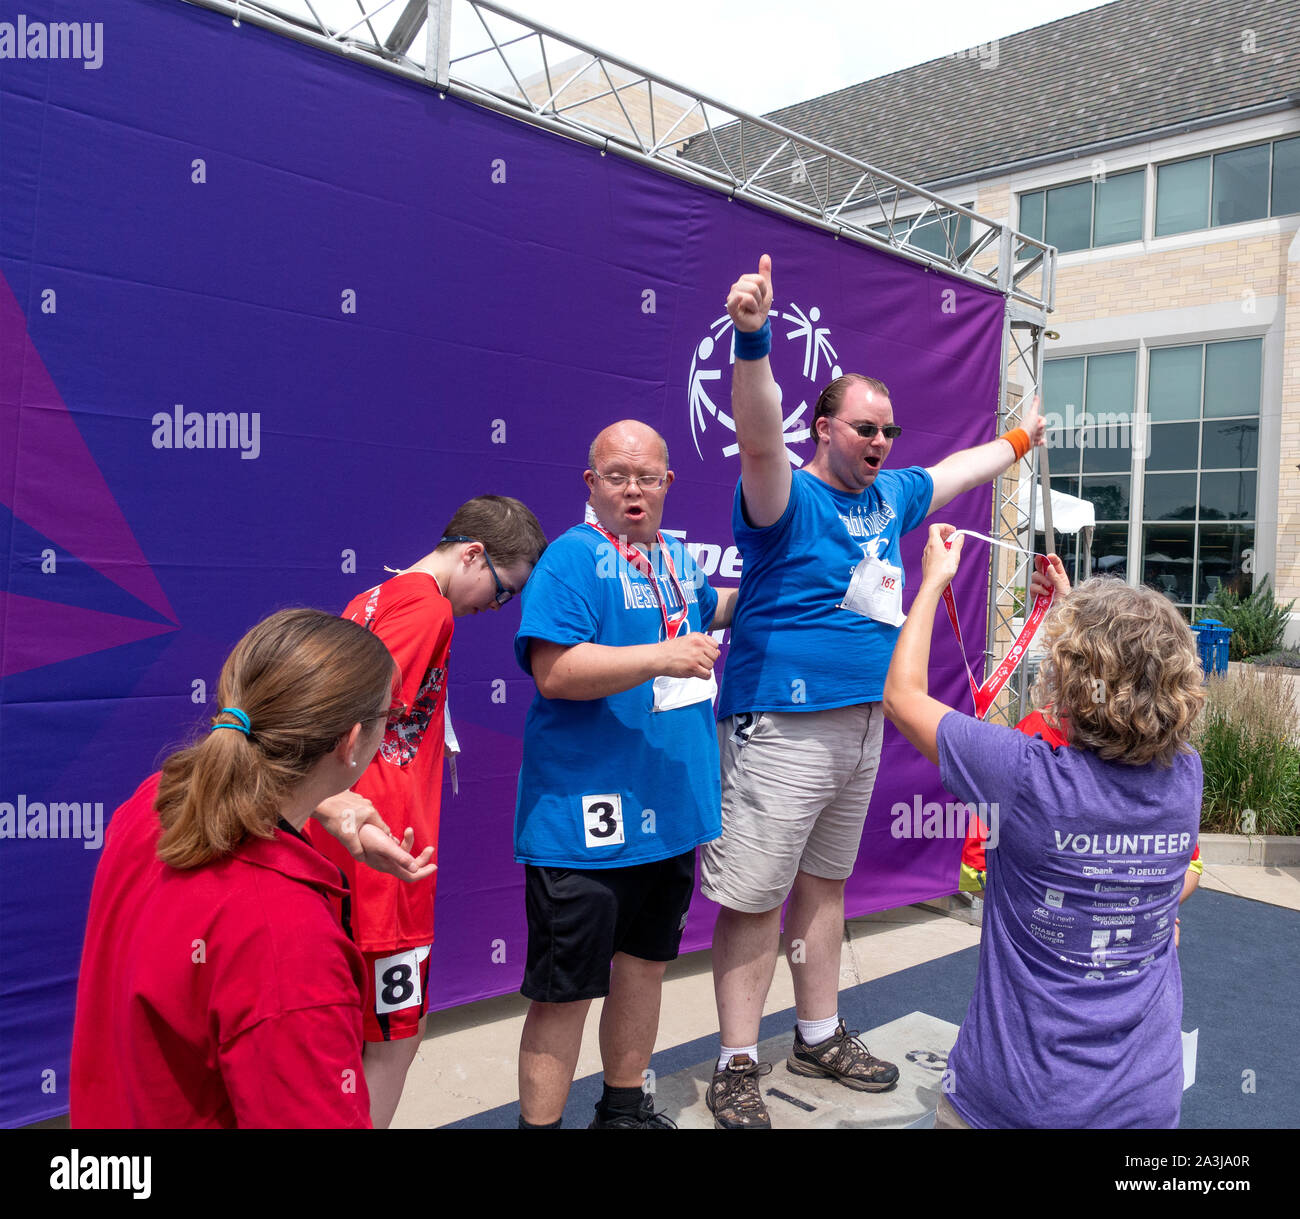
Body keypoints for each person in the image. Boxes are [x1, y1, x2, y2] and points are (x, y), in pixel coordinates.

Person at [703, 253, 1046, 1130]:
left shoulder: (892, 495)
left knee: (824, 885)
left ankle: (817, 1032)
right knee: (753, 897)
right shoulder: (783, 494)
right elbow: (754, 430)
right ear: (823, 427)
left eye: (890, 430)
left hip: (860, 726)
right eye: (864, 428)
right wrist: (752, 338)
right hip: (778, 724)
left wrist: (1016, 444)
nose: (882, 442)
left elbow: (962, 471)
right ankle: (737, 1060)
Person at [883, 526, 1204, 1128]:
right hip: (1144, 1103)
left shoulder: (1025, 776)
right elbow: (1129, 689)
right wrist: (1073, 608)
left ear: (1069, 678)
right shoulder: (1185, 777)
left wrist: (932, 585)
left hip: (1016, 1102)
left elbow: (902, 697)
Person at [71, 608, 435, 1127]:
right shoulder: (286, 936)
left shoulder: (150, 807)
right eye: (387, 716)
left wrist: (323, 803)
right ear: (352, 742)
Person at [513, 420, 737, 1129]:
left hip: (668, 811)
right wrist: (659, 658)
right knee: (565, 992)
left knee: (643, 967)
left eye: (647, 476)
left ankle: (623, 1107)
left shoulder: (674, 557)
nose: (633, 490)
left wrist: (777, 583)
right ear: (592, 484)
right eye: (617, 476)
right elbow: (555, 671)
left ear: (669, 482)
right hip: (584, 824)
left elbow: (706, 609)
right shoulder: (571, 559)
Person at [307, 494, 547, 1128]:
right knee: (394, 1033)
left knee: (343, 1028)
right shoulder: (427, 607)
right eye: (501, 590)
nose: (495, 608)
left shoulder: (371, 598)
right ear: (473, 553)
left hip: (349, 840)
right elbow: (356, 718)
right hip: (384, 852)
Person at [957, 556, 1203, 936]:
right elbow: (1188, 868)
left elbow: (902, 700)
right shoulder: (1180, 769)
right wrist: (1150, 908)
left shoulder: (1035, 740)